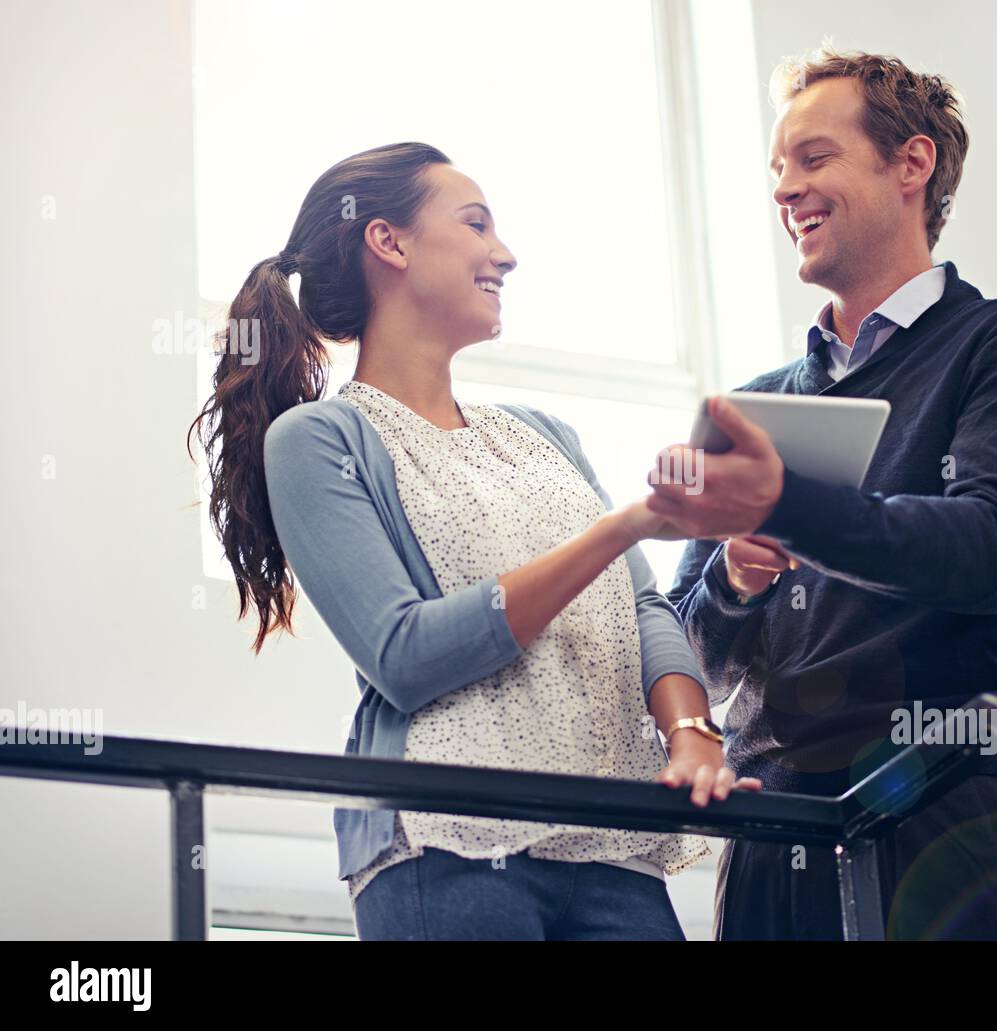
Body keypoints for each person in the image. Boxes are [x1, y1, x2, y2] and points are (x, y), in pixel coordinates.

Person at [187, 141, 759, 941]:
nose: (506, 254)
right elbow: (404, 653)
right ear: (388, 242)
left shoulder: (544, 435)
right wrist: (621, 526)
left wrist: (692, 735)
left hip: (613, 846)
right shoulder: (320, 440)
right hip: (447, 845)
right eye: (477, 224)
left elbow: (644, 609)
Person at [650, 47, 997, 940]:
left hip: (945, 818)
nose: (785, 189)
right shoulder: (755, 401)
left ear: (911, 165)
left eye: (814, 158)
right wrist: (735, 575)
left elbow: (985, 552)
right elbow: (689, 656)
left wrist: (784, 503)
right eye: (777, 169)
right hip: (773, 838)